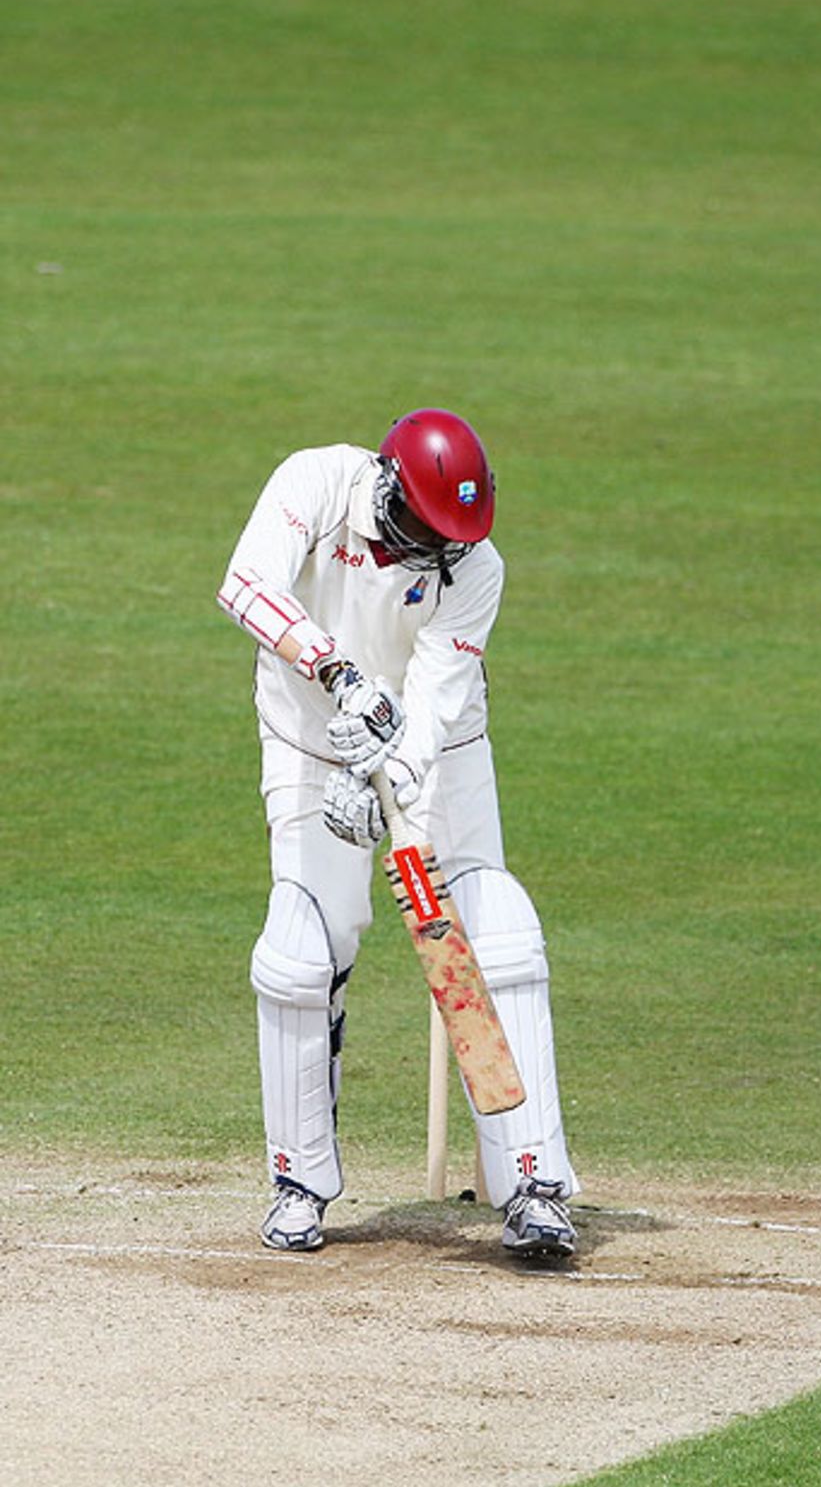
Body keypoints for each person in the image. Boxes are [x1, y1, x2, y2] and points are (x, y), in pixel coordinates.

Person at [217, 409, 579, 1256]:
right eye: (422, 528)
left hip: (438, 751)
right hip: (308, 741)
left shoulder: (476, 568)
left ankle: (532, 1180)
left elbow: (437, 699)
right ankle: (298, 1179)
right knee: (302, 948)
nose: (435, 551)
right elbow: (244, 584)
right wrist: (338, 676)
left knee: (499, 929)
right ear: (388, 486)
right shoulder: (318, 480)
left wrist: (393, 779)